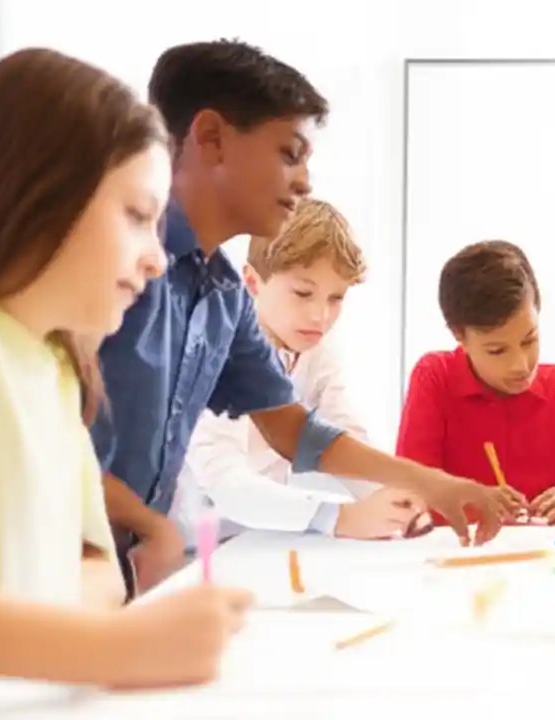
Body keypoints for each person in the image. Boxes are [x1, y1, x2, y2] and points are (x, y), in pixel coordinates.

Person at [92, 40, 505, 592]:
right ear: (210, 138)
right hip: (60, 553)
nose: (306, 182)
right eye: (290, 154)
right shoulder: (113, 262)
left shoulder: (223, 295)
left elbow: (293, 429)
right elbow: (53, 439)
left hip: (129, 564)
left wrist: (429, 482)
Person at [0, 48, 250, 719]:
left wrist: (116, 634)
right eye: (136, 215)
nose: (157, 259)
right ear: (34, 190)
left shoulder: (57, 370)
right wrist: (116, 648)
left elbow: (99, 569)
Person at [172, 198, 426, 546]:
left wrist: (392, 498)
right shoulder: (218, 348)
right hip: (191, 547)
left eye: (336, 298)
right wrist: (339, 517)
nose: (320, 316)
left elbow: (344, 431)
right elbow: (224, 480)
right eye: (303, 293)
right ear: (252, 282)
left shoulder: (315, 347)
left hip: (263, 535)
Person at [397, 240, 555, 525]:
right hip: (457, 548)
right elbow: (409, 491)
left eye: (529, 340)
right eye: (497, 350)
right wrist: (477, 505)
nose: (521, 366)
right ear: (459, 335)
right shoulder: (435, 376)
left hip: (542, 549)